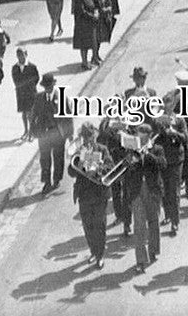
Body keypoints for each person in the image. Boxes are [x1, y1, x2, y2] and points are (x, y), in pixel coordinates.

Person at [124, 122, 167, 273]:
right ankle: (140, 261)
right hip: (137, 192)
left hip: (152, 191)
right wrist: (131, 162)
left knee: (154, 223)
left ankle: (153, 250)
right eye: (138, 139)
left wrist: (147, 155)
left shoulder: (157, 149)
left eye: (143, 140)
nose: (140, 142)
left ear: (148, 138)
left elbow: (162, 165)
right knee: (139, 227)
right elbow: (127, 173)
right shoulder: (131, 151)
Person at [69, 122, 112, 268]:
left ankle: (100, 255)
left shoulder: (103, 149)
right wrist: (78, 158)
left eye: (90, 135)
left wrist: (99, 167)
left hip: (99, 193)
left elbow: (110, 168)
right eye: (85, 136)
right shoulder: (79, 151)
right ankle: (93, 252)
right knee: (88, 226)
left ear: (95, 135)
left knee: (99, 225)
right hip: (84, 194)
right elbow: (71, 172)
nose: (88, 139)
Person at [30, 73, 72, 193]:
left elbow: (68, 117)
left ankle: (57, 179)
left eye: (50, 87)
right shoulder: (38, 98)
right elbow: (34, 115)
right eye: (46, 87)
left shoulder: (62, 98)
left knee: (58, 157)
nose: (48, 89)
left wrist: (69, 134)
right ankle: (47, 182)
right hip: (44, 134)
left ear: (54, 85)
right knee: (44, 159)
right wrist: (32, 130)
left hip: (57, 133)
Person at [72, 0, 102, 70]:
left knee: (91, 42)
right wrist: (92, 16)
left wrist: (96, 11)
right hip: (82, 24)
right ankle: (84, 62)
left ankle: (92, 59)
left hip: (89, 24)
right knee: (83, 44)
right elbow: (81, 11)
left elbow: (93, 5)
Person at [10, 48, 39, 139]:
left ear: (26, 54)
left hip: (30, 93)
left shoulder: (32, 66)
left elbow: (36, 78)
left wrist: (29, 86)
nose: (20, 57)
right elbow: (15, 80)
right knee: (23, 113)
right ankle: (26, 130)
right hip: (21, 93)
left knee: (30, 113)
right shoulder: (15, 67)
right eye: (18, 55)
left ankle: (31, 132)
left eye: (22, 54)